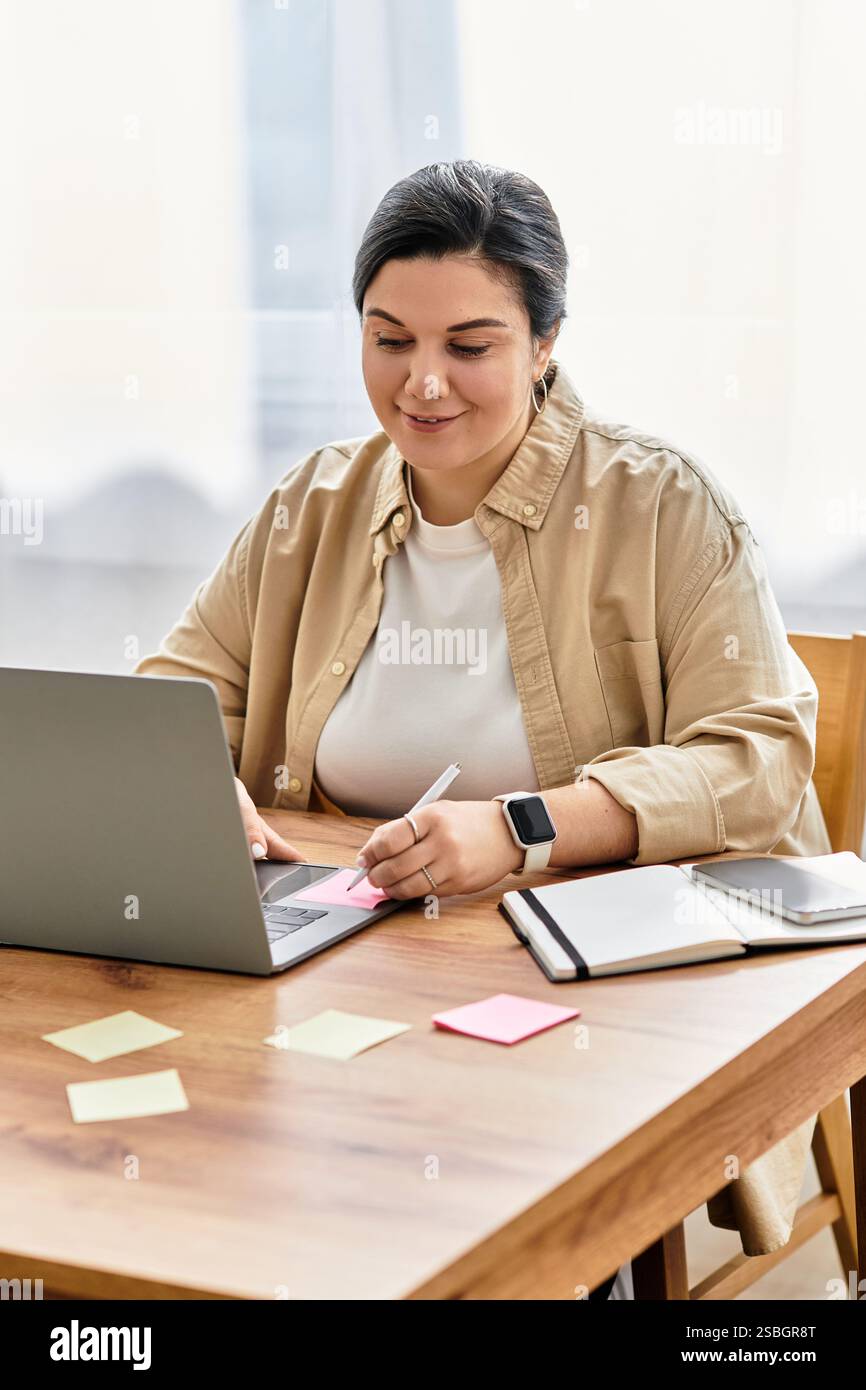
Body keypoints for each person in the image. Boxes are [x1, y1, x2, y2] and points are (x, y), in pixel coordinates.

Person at [135, 159, 832, 1292]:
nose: (421, 384)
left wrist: (518, 830)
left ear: (545, 341)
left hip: (588, 994)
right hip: (342, 980)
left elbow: (752, 759)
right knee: (192, 1184)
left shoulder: (662, 507)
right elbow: (173, 696)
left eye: (469, 346)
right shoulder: (309, 505)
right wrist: (183, 783)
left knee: (472, 1227)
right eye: (386, 338)